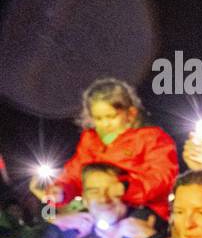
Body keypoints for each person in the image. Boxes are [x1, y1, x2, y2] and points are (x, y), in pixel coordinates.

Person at [32, 78, 179, 221]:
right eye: (99, 118)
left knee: (132, 230)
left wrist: (126, 188)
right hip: (103, 210)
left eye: (111, 116)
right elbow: (74, 175)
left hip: (142, 209)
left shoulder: (151, 138)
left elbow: (163, 177)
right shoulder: (90, 141)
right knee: (66, 228)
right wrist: (60, 191)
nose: (105, 123)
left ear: (131, 113)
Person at [54, 163, 165, 238]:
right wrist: (50, 227)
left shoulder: (154, 226)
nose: (103, 198)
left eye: (112, 190)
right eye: (94, 191)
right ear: (85, 198)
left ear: (125, 192)